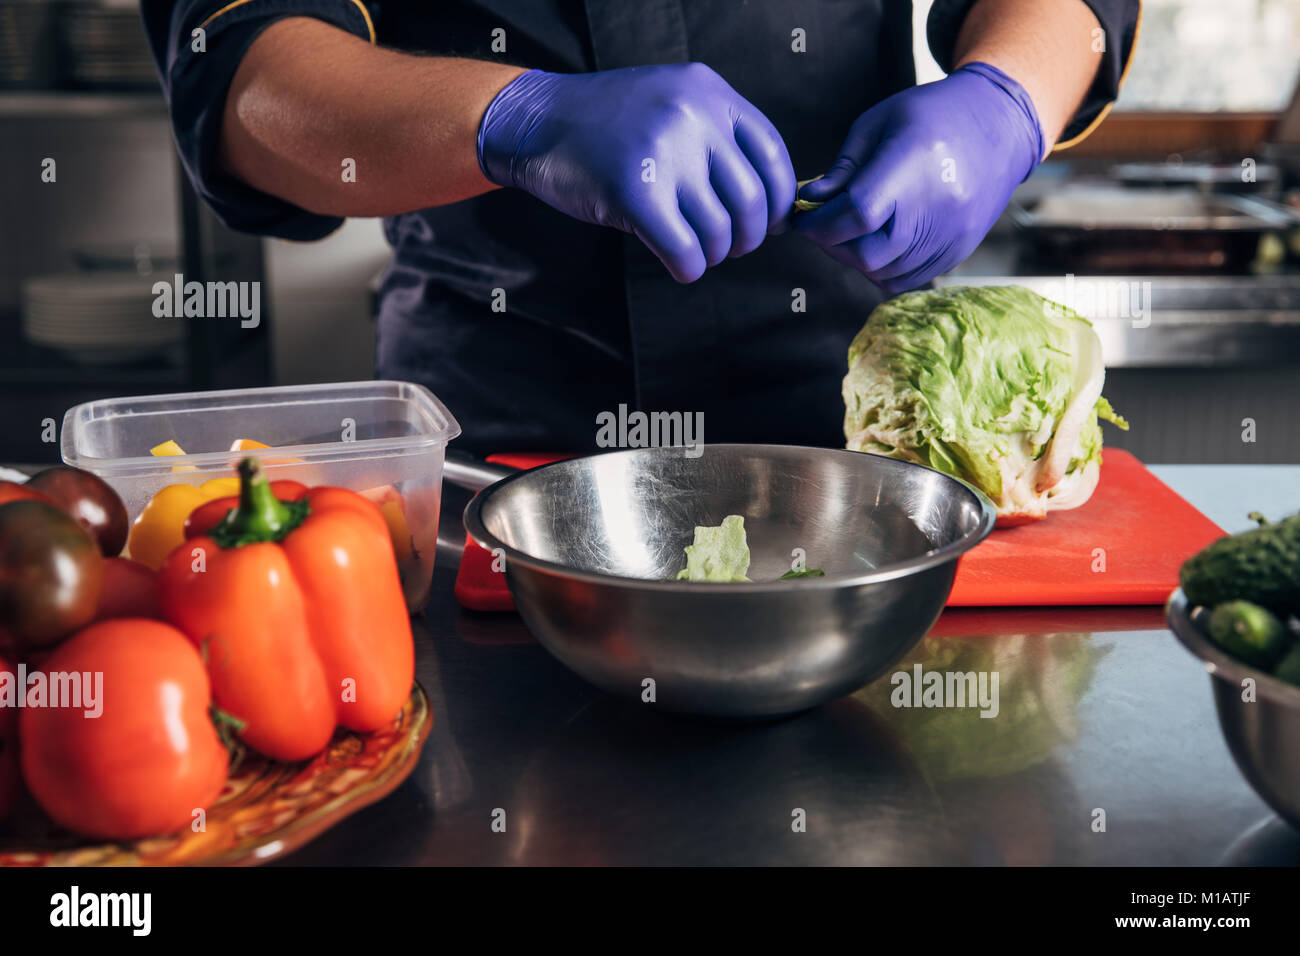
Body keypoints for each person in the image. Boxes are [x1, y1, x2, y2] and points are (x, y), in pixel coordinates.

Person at [142, 0, 1140, 453]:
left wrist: (1005, 97)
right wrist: (513, 120)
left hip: (861, 438)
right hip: (499, 436)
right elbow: (242, 79)